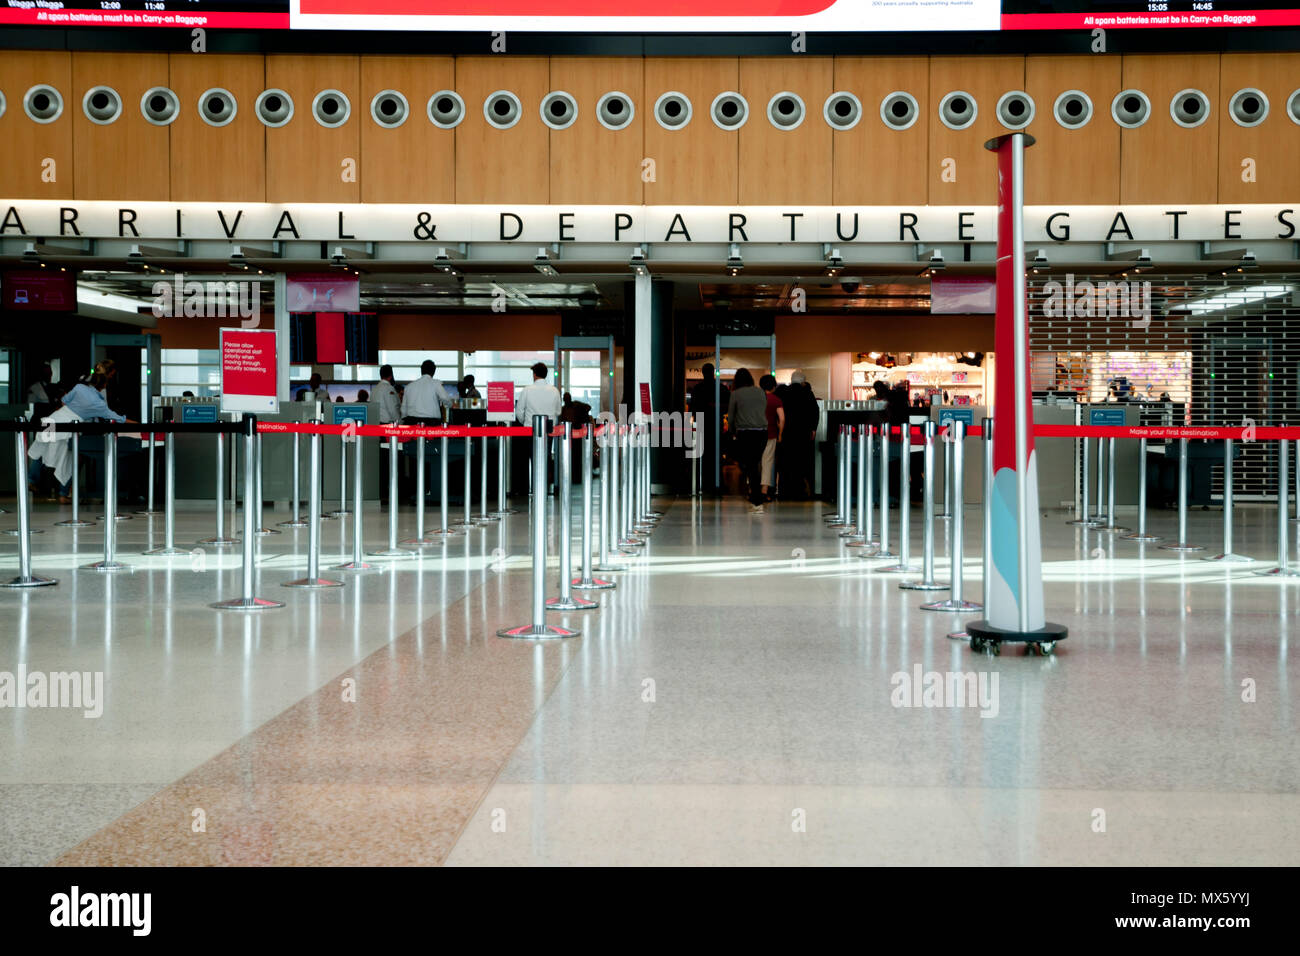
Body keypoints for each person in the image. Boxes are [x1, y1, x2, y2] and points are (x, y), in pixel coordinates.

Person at [726, 368, 768, 513]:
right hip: (762, 433)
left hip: (745, 433)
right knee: (754, 463)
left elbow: (730, 416)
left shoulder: (736, 394)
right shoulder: (760, 391)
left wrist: (732, 431)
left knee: (749, 465)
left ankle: (756, 500)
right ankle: (756, 496)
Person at [689, 363, 729, 495]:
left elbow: (693, 408)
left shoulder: (698, 388)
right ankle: (717, 482)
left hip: (701, 424)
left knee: (703, 455)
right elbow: (727, 406)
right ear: (713, 372)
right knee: (716, 454)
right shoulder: (721, 388)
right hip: (716, 424)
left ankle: (704, 482)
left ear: (702, 372)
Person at [777, 370, 817, 499]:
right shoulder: (807, 393)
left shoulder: (783, 392)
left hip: (787, 431)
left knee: (786, 460)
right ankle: (799, 489)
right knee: (801, 460)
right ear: (803, 382)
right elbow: (814, 411)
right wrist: (813, 429)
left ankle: (785, 489)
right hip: (802, 432)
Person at [402, 359, 455, 425]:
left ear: (421, 370)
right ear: (434, 371)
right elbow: (445, 398)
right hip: (431, 423)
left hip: (411, 422)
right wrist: (450, 405)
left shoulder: (408, 386)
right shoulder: (436, 384)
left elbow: (403, 408)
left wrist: (404, 421)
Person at [759, 374, 784, 502]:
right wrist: (780, 434)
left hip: (756, 434)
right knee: (767, 463)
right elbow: (782, 418)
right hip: (771, 434)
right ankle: (764, 492)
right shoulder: (776, 400)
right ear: (773, 387)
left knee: (755, 462)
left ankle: (752, 490)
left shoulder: (756, 399)